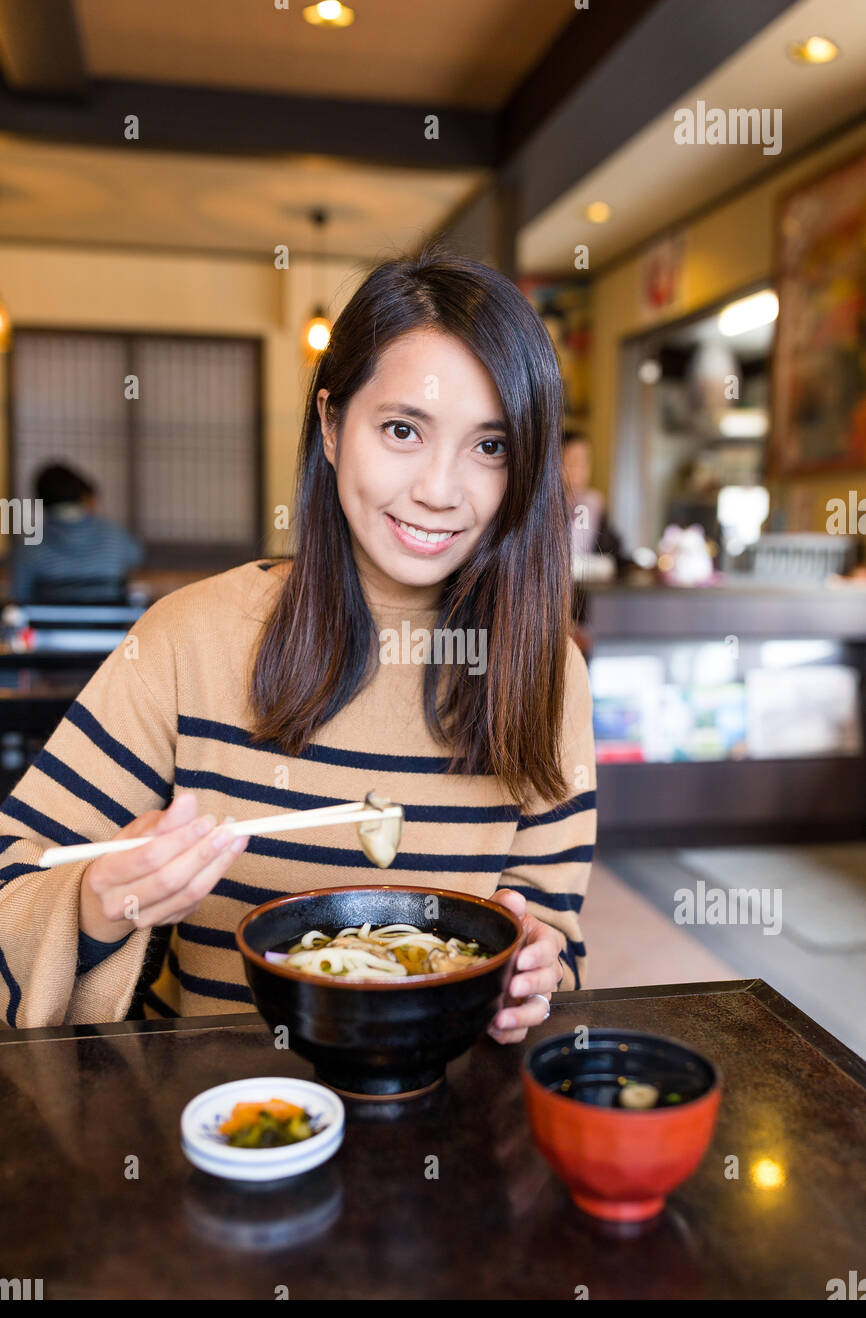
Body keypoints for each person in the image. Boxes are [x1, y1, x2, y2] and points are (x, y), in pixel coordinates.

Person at [0, 248, 597, 1036]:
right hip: (211, 1117)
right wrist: (97, 903)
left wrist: (535, 972)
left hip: (444, 1113)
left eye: (491, 447)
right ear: (330, 425)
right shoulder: (190, 640)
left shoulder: (547, 671)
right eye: (401, 429)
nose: (441, 490)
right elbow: (18, 878)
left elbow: (553, 935)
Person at [11, 461, 143, 604]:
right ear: (82, 497)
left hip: (49, 624)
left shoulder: (30, 546)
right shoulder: (115, 536)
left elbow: (20, 595)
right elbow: (136, 557)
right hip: (107, 624)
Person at [562, 430, 625, 572]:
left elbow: (612, 552)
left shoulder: (594, 503)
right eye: (571, 462)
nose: (579, 470)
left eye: (584, 462)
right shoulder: (541, 505)